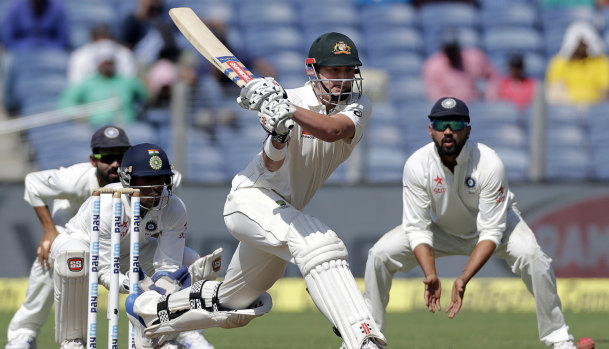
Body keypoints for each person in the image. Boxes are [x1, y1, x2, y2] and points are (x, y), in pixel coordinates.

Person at [127, 32, 387, 349]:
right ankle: (362, 338)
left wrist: (285, 108)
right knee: (319, 243)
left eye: (349, 71)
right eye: (334, 71)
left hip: (284, 212)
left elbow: (334, 131)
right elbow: (271, 163)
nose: (343, 80)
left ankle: (152, 314)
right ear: (314, 70)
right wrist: (277, 131)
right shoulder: (289, 99)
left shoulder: (359, 105)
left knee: (235, 305)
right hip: (251, 199)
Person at [363, 97, 577, 349]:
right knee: (379, 255)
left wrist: (463, 278)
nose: (448, 131)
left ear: (468, 130)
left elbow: (491, 231)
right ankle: (370, 338)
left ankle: (558, 338)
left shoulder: (489, 162)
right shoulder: (417, 165)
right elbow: (417, 228)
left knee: (533, 257)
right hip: (443, 230)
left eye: (455, 123)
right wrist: (430, 274)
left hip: (497, 227)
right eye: (441, 124)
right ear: (430, 130)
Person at [49, 143, 214, 349]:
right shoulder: (109, 204)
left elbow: (168, 265)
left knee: (192, 262)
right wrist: (135, 283)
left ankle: (174, 336)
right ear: (128, 179)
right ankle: (73, 340)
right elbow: (104, 270)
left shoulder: (174, 207)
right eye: (148, 179)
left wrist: (162, 283)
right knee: (74, 258)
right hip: (85, 246)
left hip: (132, 252)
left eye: (160, 179)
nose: (155, 188)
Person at [5, 125, 131, 349]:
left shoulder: (135, 177)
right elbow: (33, 182)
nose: (116, 163)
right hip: (72, 233)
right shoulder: (76, 177)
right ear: (93, 160)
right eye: (108, 157)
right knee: (52, 256)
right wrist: (49, 231)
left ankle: (170, 336)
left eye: (121, 156)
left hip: (118, 239)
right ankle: (23, 334)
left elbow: (175, 180)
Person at [58, 45, 148, 126]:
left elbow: (146, 96)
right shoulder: (87, 83)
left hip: (127, 125)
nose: (107, 66)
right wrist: (78, 114)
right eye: (104, 63)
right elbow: (66, 102)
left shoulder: (127, 81)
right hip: (96, 127)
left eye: (109, 63)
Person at [421, 33, 500, 102]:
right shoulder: (433, 65)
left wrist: (489, 96)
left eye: (453, 49)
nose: (452, 53)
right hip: (450, 110)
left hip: (475, 103)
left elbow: (493, 76)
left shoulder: (474, 58)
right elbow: (434, 94)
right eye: (449, 50)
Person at [545, 21, 609, 105]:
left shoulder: (600, 62)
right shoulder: (559, 62)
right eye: (578, 43)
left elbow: (604, 90)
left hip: (595, 108)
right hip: (567, 109)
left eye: (583, 44)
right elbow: (554, 91)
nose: (581, 48)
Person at [67, 24, 138, 85]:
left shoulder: (125, 55)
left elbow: (129, 85)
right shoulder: (79, 57)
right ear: (92, 40)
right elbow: (75, 86)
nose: (104, 47)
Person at [0, 0, 69, 51]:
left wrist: (44, 46)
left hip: (51, 55)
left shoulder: (57, 8)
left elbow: (63, 40)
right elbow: (7, 40)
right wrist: (28, 45)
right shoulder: (15, 7)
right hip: (21, 54)